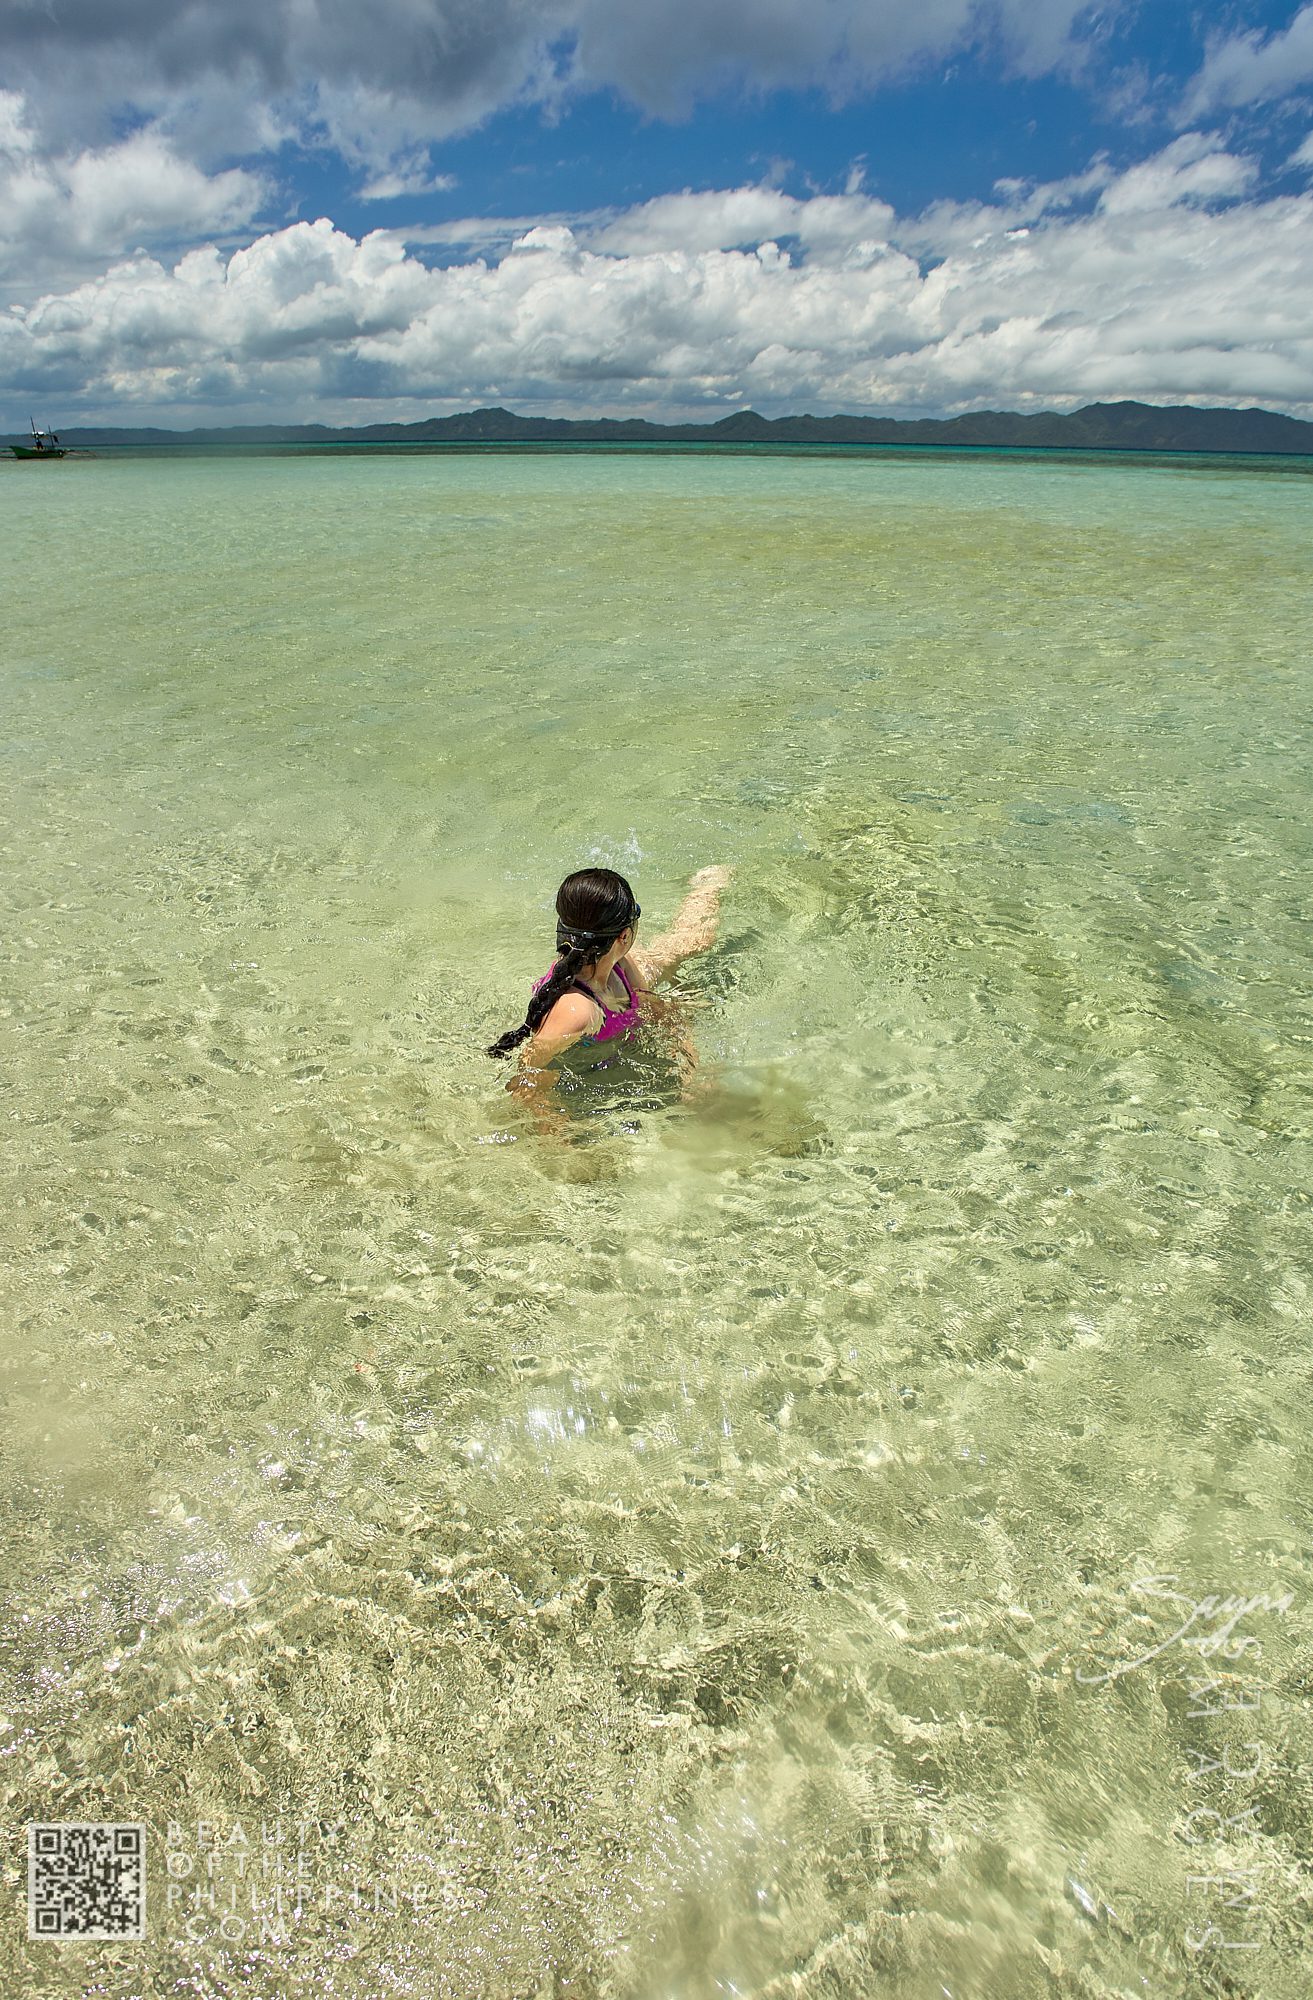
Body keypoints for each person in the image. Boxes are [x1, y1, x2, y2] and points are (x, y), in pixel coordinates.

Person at [486, 866, 733, 1085]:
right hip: (594, 1004)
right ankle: (709, 882)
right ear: (624, 936)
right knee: (679, 946)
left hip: (606, 974)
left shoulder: (620, 964)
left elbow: (653, 1007)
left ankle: (706, 886)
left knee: (691, 943)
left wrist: (690, 1069)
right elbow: (527, 1074)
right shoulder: (579, 1012)